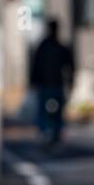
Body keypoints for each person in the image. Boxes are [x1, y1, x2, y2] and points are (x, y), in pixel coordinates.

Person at [30, 19, 74, 147]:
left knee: (44, 110)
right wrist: (71, 81)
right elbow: (70, 66)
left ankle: (45, 132)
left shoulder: (43, 47)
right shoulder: (61, 47)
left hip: (45, 85)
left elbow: (35, 66)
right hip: (56, 84)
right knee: (57, 111)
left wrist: (33, 82)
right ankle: (55, 133)